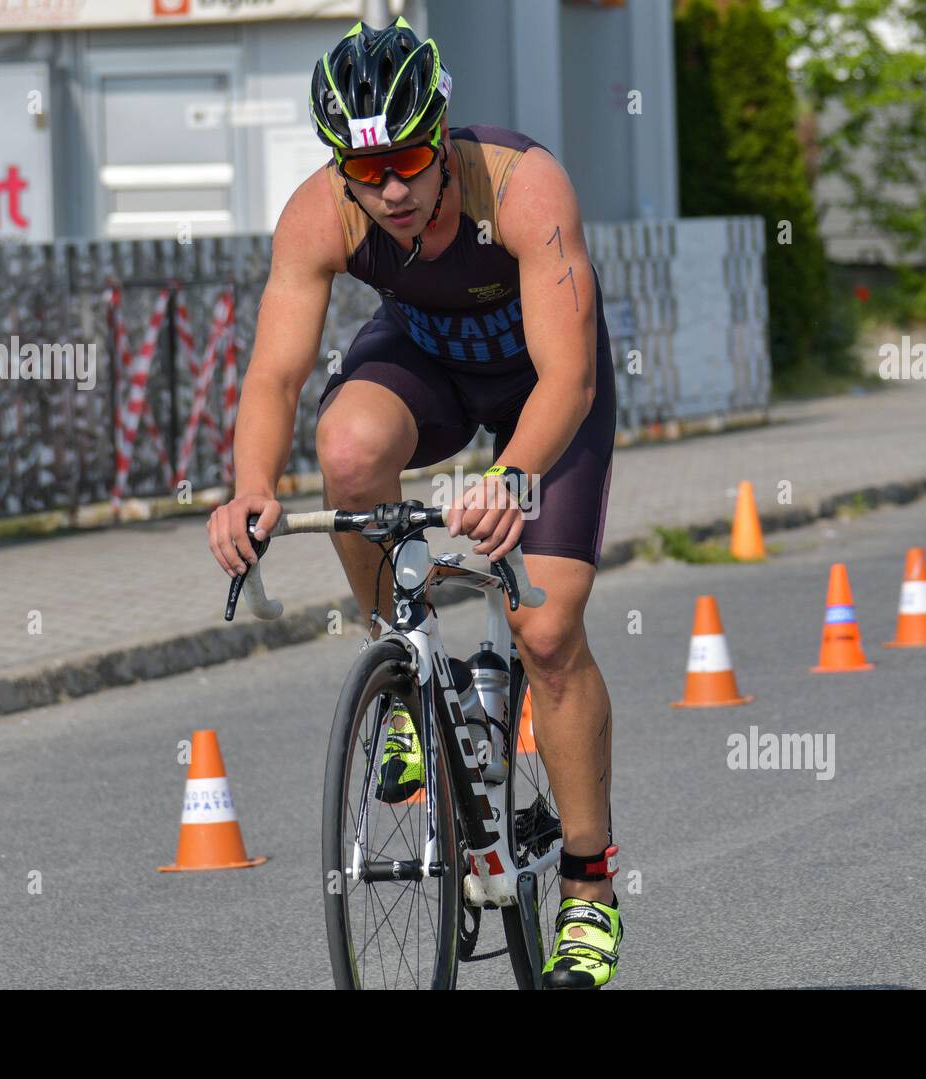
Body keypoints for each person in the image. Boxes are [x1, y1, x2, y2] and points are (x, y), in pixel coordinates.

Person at [205, 17, 622, 989]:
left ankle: (591, 888)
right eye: (365, 167)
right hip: (427, 369)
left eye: (408, 158)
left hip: (542, 393)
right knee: (345, 449)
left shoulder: (522, 188)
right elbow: (273, 373)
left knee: (549, 629)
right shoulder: (324, 212)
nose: (390, 188)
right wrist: (251, 488)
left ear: (441, 134)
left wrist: (513, 474)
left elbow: (568, 377)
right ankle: (396, 663)